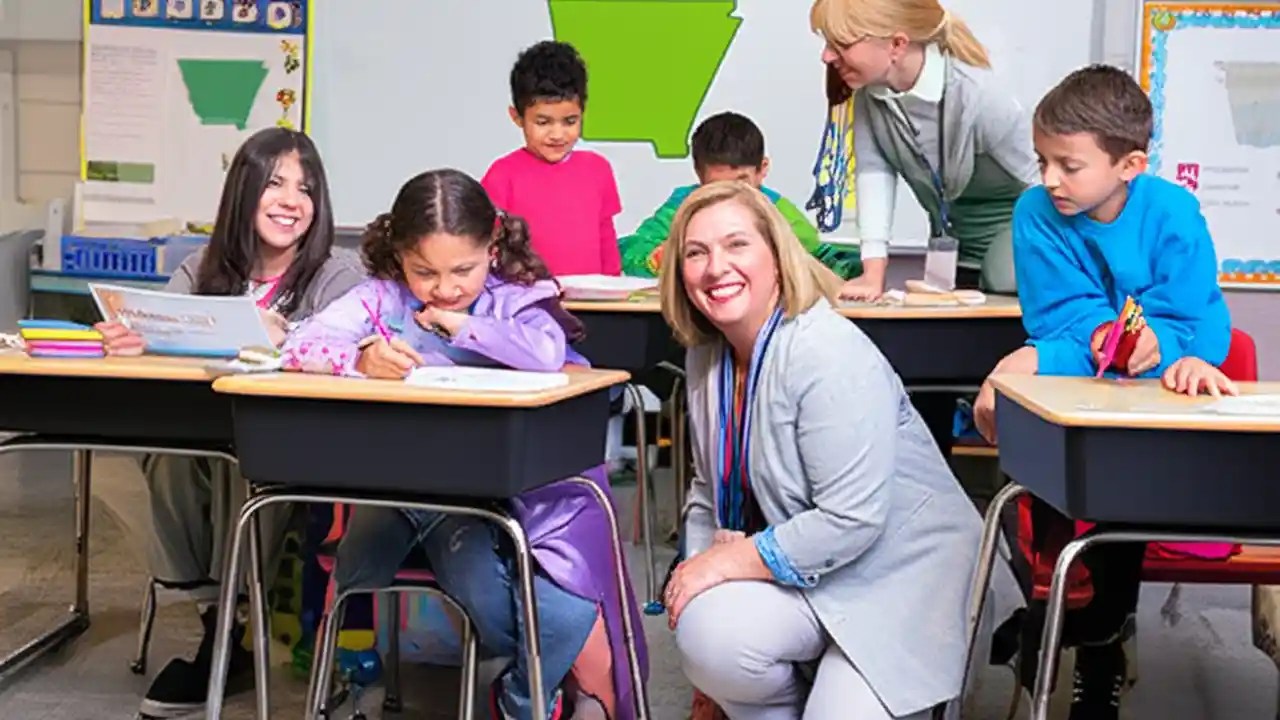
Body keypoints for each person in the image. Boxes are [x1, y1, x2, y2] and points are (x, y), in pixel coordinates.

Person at [280, 168, 647, 720]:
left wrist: (463, 327)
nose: (445, 288)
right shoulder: (382, 298)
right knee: (359, 564)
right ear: (400, 256)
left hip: (507, 494)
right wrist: (359, 359)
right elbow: (300, 342)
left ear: (492, 247)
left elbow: (547, 354)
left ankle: (520, 698)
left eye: (463, 270)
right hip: (410, 487)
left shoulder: (515, 298)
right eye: (424, 271)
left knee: (559, 610)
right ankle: (382, 671)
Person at [657, 180, 1021, 719]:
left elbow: (850, 518)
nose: (715, 267)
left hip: (900, 580)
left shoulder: (826, 351)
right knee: (707, 631)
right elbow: (708, 492)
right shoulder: (707, 358)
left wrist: (728, 561)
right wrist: (697, 574)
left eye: (737, 245)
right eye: (696, 252)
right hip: (809, 574)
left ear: (777, 259)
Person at [973, 65, 1231, 720]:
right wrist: (1056, 354)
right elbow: (1060, 320)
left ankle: (1095, 642)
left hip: (1155, 419)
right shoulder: (1037, 213)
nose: (1050, 179)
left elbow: (1202, 325)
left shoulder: (1172, 212)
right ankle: (1065, 620)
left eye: (1069, 164)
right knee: (1044, 479)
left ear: (1129, 164)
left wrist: (1173, 354)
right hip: (1081, 396)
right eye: (1042, 161)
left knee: (1122, 491)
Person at [95, 127, 365, 719]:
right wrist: (133, 339)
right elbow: (162, 332)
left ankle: (225, 637)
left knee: (242, 475)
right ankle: (222, 622)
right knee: (140, 462)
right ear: (243, 190)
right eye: (275, 183)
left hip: (291, 448)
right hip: (202, 437)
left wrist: (287, 335)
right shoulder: (203, 266)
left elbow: (349, 353)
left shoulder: (336, 274)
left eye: (306, 188)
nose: (292, 200)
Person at [810, 0, 1036, 301]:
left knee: (1001, 271)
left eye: (841, 44)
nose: (827, 56)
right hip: (954, 255)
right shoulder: (870, 98)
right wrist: (872, 276)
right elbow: (873, 176)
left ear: (897, 44)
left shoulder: (980, 97)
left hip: (1018, 262)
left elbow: (1041, 182)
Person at [618, 110, 862, 280]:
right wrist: (662, 258)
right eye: (716, 188)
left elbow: (818, 256)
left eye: (741, 184)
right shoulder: (683, 207)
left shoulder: (777, 211)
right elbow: (631, 251)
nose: (729, 198)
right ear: (698, 175)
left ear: (762, 170)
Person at [482, 40, 622, 277]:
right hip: (525, 303)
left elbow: (606, 237)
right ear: (516, 117)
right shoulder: (502, 175)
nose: (557, 135)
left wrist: (614, 289)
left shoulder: (598, 169)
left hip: (591, 305)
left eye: (570, 121)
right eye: (543, 122)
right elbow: (485, 246)